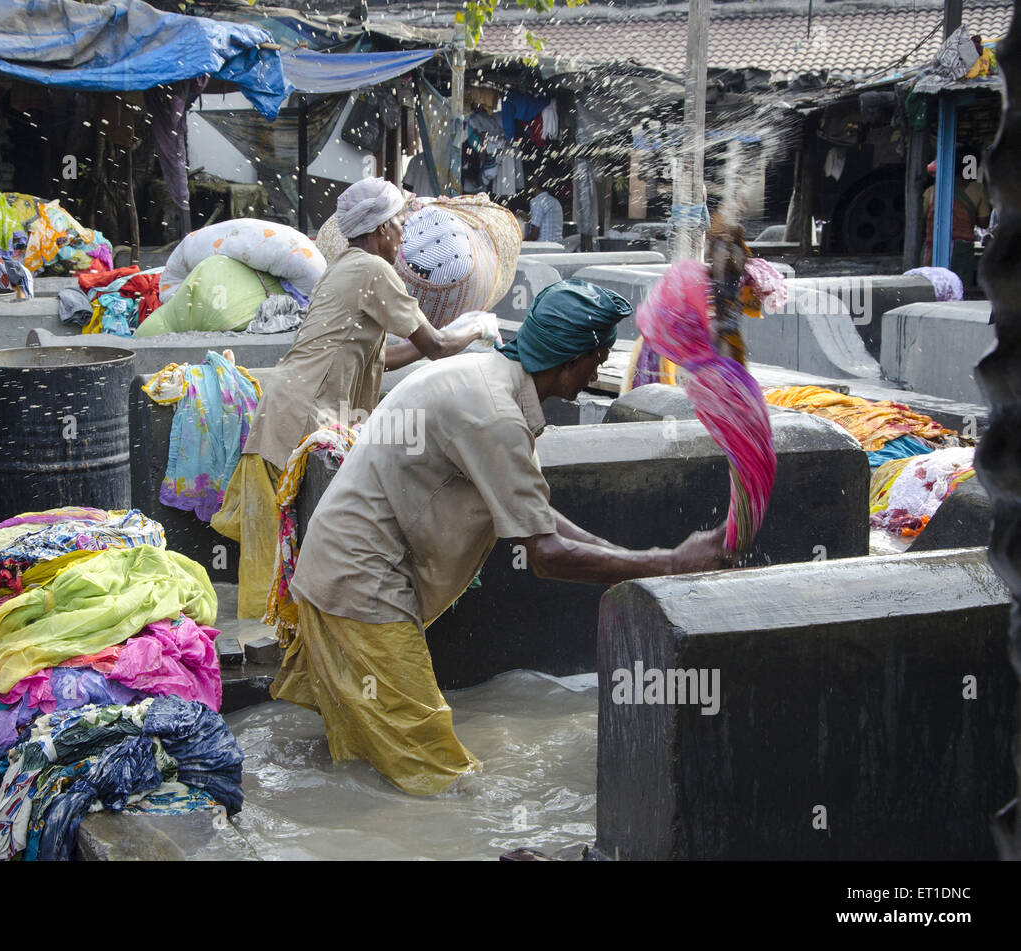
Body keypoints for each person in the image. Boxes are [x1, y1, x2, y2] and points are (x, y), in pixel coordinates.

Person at [269, 279, 734, 795]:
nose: (598, 371)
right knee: (439, 778)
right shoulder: (494, 415)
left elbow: (539, 517)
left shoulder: (491, 383)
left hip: (343, 572)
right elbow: (546, 555)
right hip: (361, 585)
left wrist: (646, 559)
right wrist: (669, 564)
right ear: (569, 359)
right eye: (597, 358)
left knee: (360, 756)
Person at [211, 177, 495, 618]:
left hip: (285, 406)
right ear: (381, 229)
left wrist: (450, 336)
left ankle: (286, 640)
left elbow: (391, 357)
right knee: (295, 549)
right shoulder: (373, 270)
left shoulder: (344, 267)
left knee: (284, 546)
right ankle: (297, 646)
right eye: (400, 226)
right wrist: (477, 329)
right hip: (302, 413)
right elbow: (436, 347)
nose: (403, 238)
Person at [922, 150, 990, 288]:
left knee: (932, 289)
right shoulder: (977, 190)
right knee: (959, 291)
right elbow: (984, 223)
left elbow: (923, 219)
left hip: (933, 249)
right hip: (962, 252)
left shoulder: (931, 191)